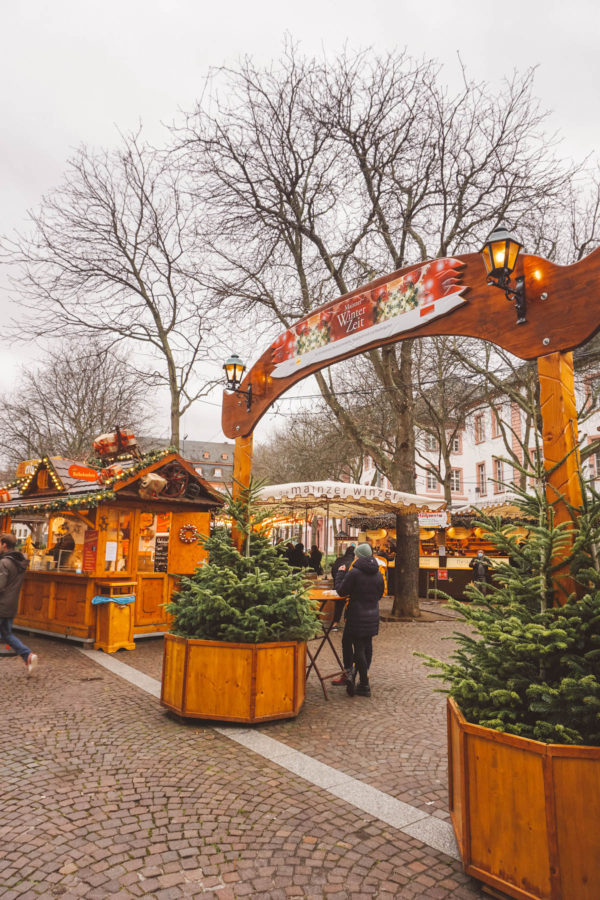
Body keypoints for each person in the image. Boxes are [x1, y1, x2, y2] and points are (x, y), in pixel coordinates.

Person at [333, 542, 384, 697]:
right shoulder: (378, 573)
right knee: (364, 645)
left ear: (359, 556)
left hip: (356, 615)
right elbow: (380, 594)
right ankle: (358, 677)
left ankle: (362, 682)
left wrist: (340, 574)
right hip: (372, 616)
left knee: (358, 647)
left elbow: (341, 591)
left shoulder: (354, 572)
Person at [0, 532, 38, 674]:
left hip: (1, 605)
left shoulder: (4, 562)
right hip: (11, 604)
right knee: (6, 634)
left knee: (6, 634)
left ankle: (27, 654)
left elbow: (0, 585)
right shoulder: (19, 562)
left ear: (4, 545)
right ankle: (27, 655)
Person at [330, 545, 355, 629]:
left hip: (339, 585)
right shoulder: (354, 562)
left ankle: (335, 623)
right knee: (350, 604)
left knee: (339, 606)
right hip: (350, 588)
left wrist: (337, 580)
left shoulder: (339, 560)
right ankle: (347, 621)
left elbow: (333, 572)